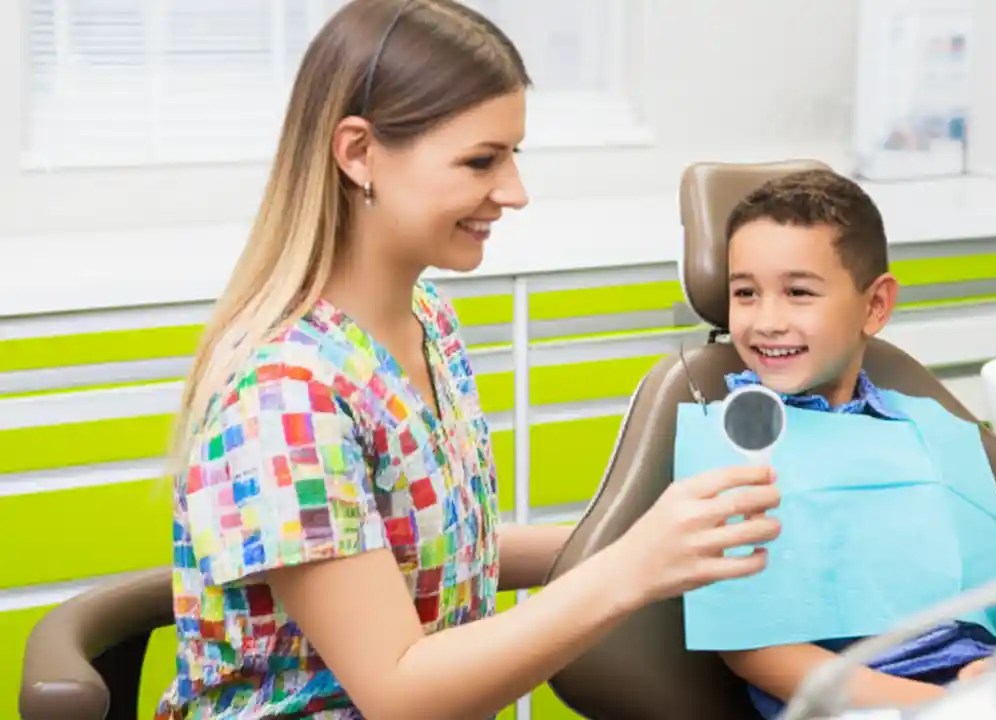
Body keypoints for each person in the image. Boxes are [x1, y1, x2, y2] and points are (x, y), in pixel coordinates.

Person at [155, 2, 781, 718]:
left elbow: (441, 555)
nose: (514, 191)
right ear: (358, 153)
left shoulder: (427, 322)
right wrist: (627, 569)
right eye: (482, 159)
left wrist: (660, 540)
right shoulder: (283, 395)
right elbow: (401, 692)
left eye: (514, 155)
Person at [710, 169, 996, 718]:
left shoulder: (930, 428)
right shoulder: (734, 439)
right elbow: (748, 644)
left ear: (875, 306)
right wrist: (939, 704)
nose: (767, 320)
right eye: (745, 293)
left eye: (797, 293)